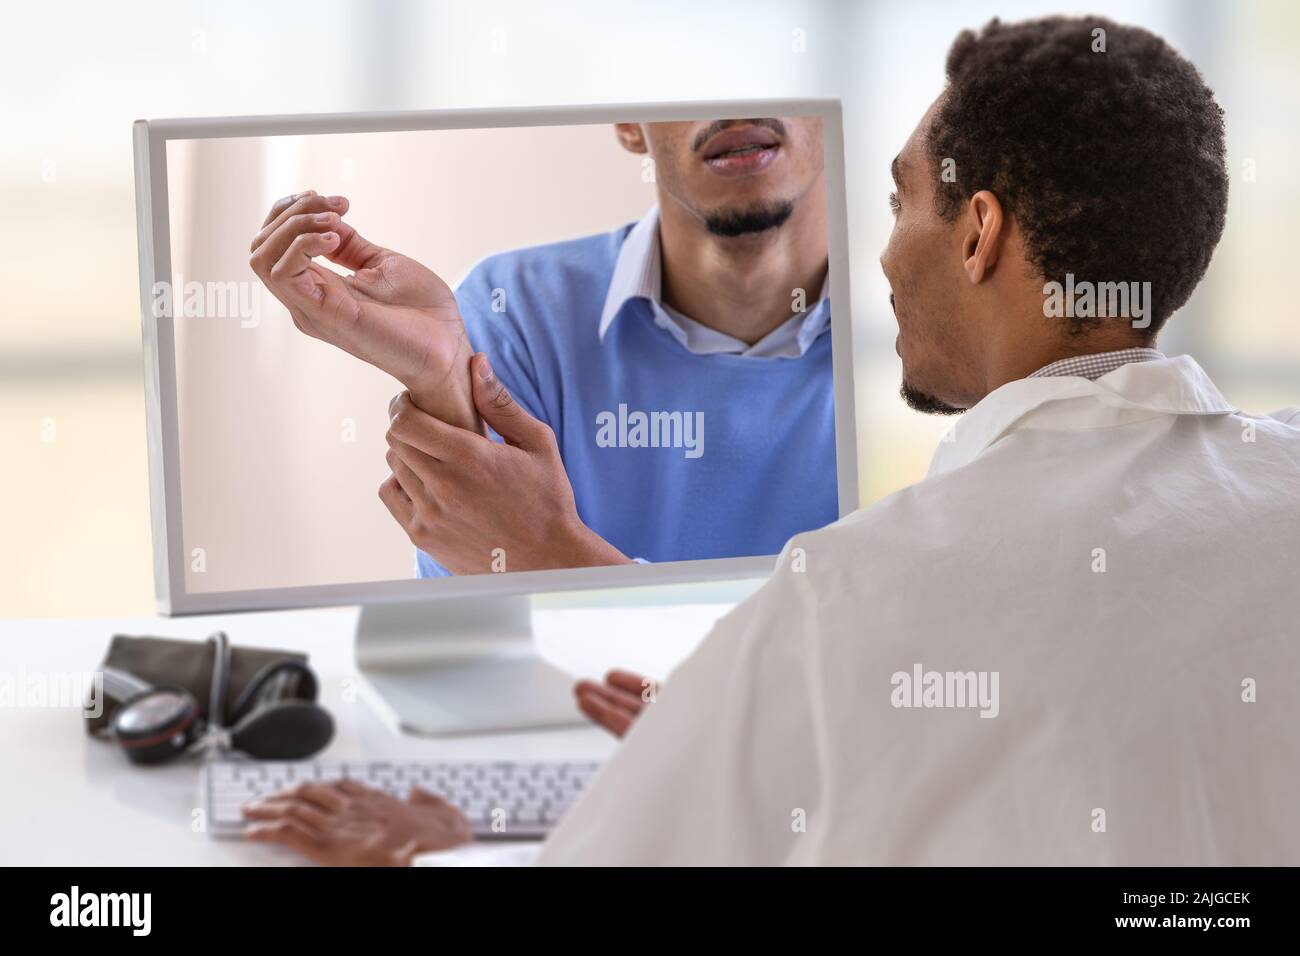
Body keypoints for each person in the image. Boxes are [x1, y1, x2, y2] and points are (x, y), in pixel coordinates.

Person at [244, 15, 1300, 866]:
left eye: (899, 201)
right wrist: (723, 724)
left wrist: (432, 853)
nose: (879, 255)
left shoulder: (849, 600)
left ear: (977, 234)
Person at [248, 117, 835, 576]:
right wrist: (446, 384)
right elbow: (485, 628)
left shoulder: (907, 341)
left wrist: (560, 556)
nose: (737, 106)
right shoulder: (515, 309)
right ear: (630, 126)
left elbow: (851, 658)